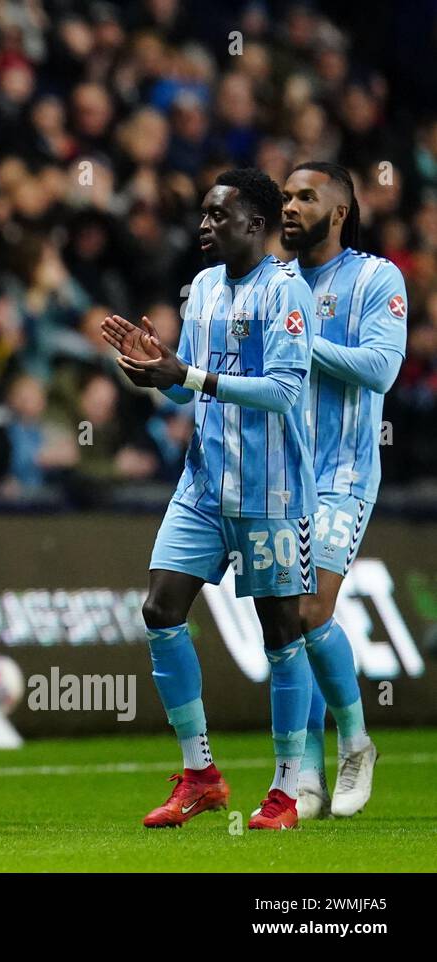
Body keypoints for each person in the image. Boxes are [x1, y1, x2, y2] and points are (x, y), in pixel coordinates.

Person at [102, 168, 318, 830]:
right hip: (202, 486)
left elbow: (283, 391)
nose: (203, 226)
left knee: (281, 636)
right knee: (160, 610)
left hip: (271, 492)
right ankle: (201, 775)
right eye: (201, 215)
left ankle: (285, 789)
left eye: (217, 216)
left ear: (255, 223)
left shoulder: (288, 293)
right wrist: (154, 371)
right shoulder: (200, 292)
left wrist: (187, 373)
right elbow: (191, 390)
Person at [280, 162, 405, 818]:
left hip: (343, 474)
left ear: (339, 209)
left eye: (306, 196)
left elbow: (382, 369)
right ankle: (304, 773)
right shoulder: (269, 282)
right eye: (285, 197)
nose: (290, 206)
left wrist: (301, 345)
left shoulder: (375, 278)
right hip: (278, 477)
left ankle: (356, 741)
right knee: (286, 624)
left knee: (309, 610)